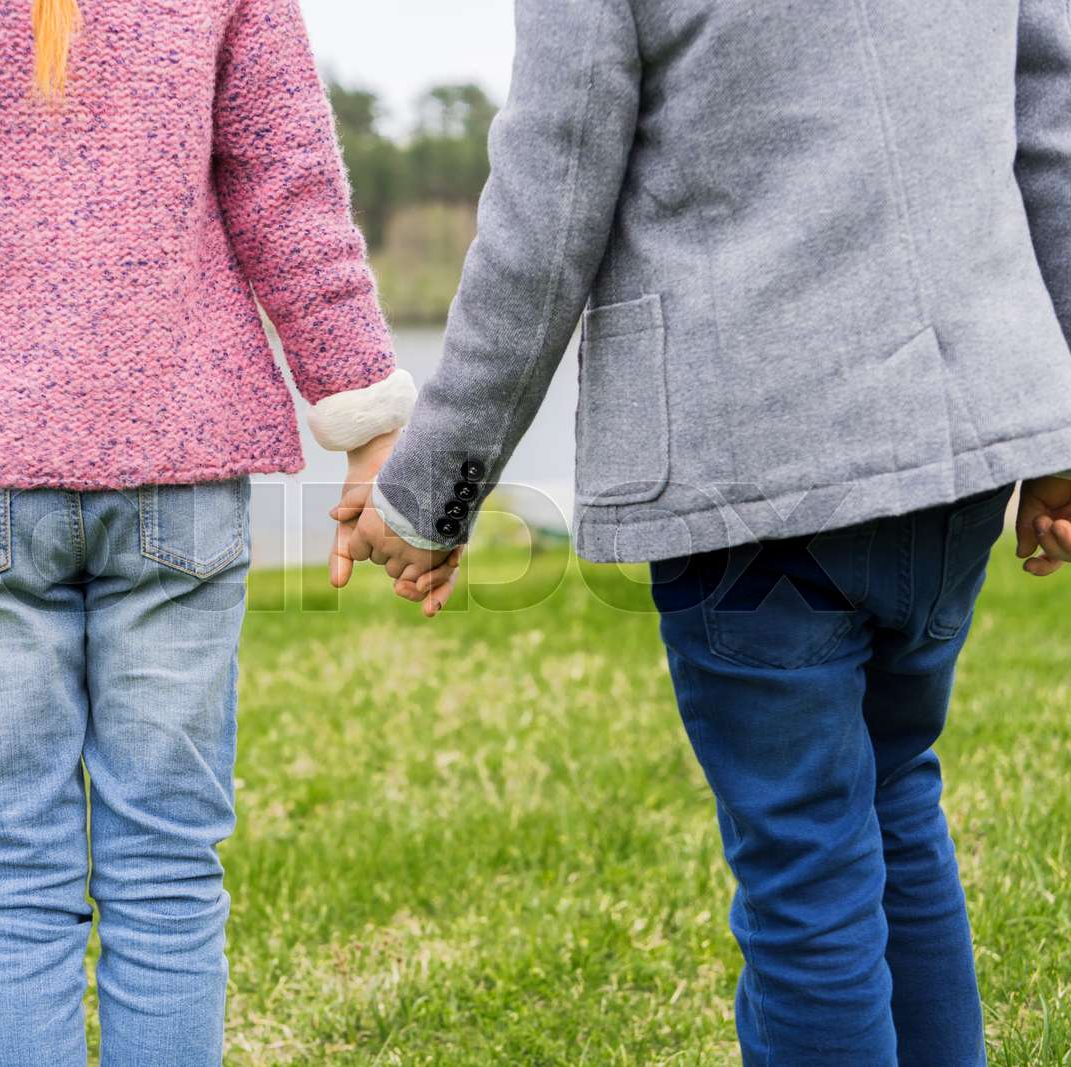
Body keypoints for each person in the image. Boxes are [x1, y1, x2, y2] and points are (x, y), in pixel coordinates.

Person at [333, 1, 1071, 1063]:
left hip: (750, 448)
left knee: (808, 864)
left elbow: (549, 200)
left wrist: (429, 493)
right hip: (957, 429)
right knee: (892, 793)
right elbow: (1050, 130)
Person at [0, 0, 441, 1063]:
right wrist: (363, 415)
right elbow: (288, 188)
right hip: (178, 454)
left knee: (10, 873)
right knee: (167, 868)